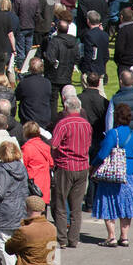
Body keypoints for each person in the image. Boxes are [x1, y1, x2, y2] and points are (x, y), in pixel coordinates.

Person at [92, 105, 133, 247]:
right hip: (130, 172)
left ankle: (111, 237)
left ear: (116, 117)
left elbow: (103, 154)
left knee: (108, 202)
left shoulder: (112, 134)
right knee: (127, 203)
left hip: (112, 172)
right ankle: (125, 236)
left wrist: (93, 165)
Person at [50, 96, 92, 249]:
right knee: (76, 206)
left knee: (61, 205)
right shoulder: (86, 125)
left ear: (66, 108)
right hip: (82, 167)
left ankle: (61, 239)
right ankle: (73, 239)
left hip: (65, 166)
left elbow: (54, 145)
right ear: (79, 108)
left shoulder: (63, 124)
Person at [0, 141, 29, 265]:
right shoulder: (21, 167)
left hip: (4, 213)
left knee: (4, 247)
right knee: (17, 246)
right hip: (19, 210)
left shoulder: (2, 171)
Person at [6, 196, 59, 265]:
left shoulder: (25, 231)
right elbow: (53, 255)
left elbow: (9, 248)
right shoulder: (52, 228)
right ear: (43, 209)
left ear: (27, 208)